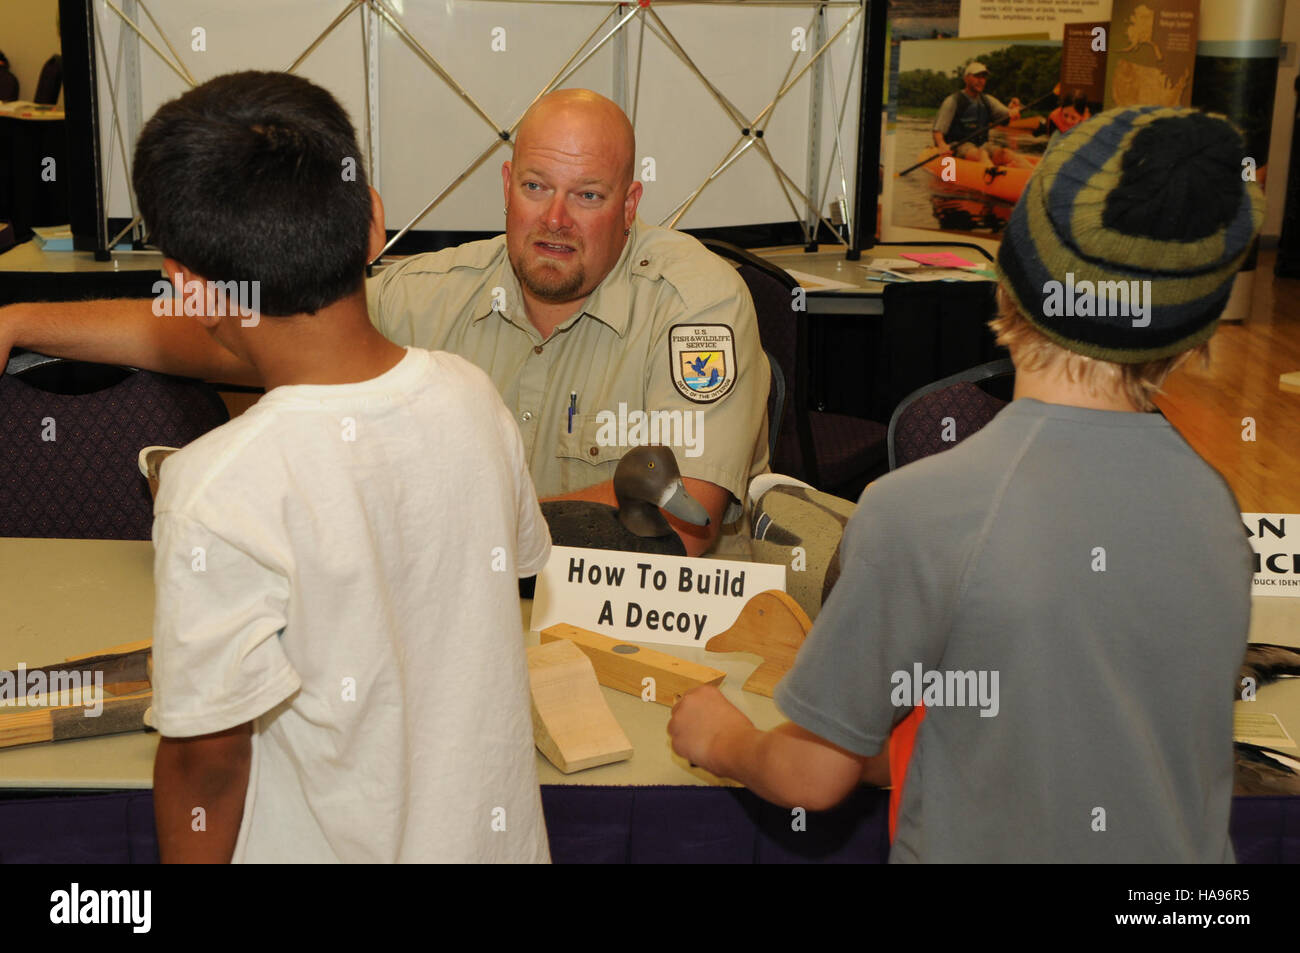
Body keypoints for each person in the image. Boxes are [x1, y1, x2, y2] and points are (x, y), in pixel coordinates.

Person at [669, 105, 1263, 862]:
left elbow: (813, 775)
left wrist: (724, 738)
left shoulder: (919, 508)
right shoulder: (1214, 506)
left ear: (1006, 282)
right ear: (1194, 337)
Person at [0, 89, 767, 558]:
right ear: (507, 184)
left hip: (657, 639)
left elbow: (677, 523)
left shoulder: (695, 303)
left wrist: (437, 535)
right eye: (536, 186)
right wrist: (22, 318)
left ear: (631, 207)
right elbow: (228, 332)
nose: (555, 219)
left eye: (589, 196)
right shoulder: (433, 291)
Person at [140, 71, 552, 863]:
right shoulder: (474, 397)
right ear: (374, 223)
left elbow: (206, 762)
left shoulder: (215, 487)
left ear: (188, 290)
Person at [932, 62, 1030, 172]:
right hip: (958, 146)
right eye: (976, 76)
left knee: (1005, 153)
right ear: (966, 78)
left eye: (983, 77)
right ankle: (993, 175)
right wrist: (942, 145)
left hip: (982, 145)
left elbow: (1008, 114)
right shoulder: (953, 101)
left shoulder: (987, 100)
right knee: (981, 154)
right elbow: (938, 130)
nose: (981, 80)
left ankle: (1036, 176)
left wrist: (1014, 110)